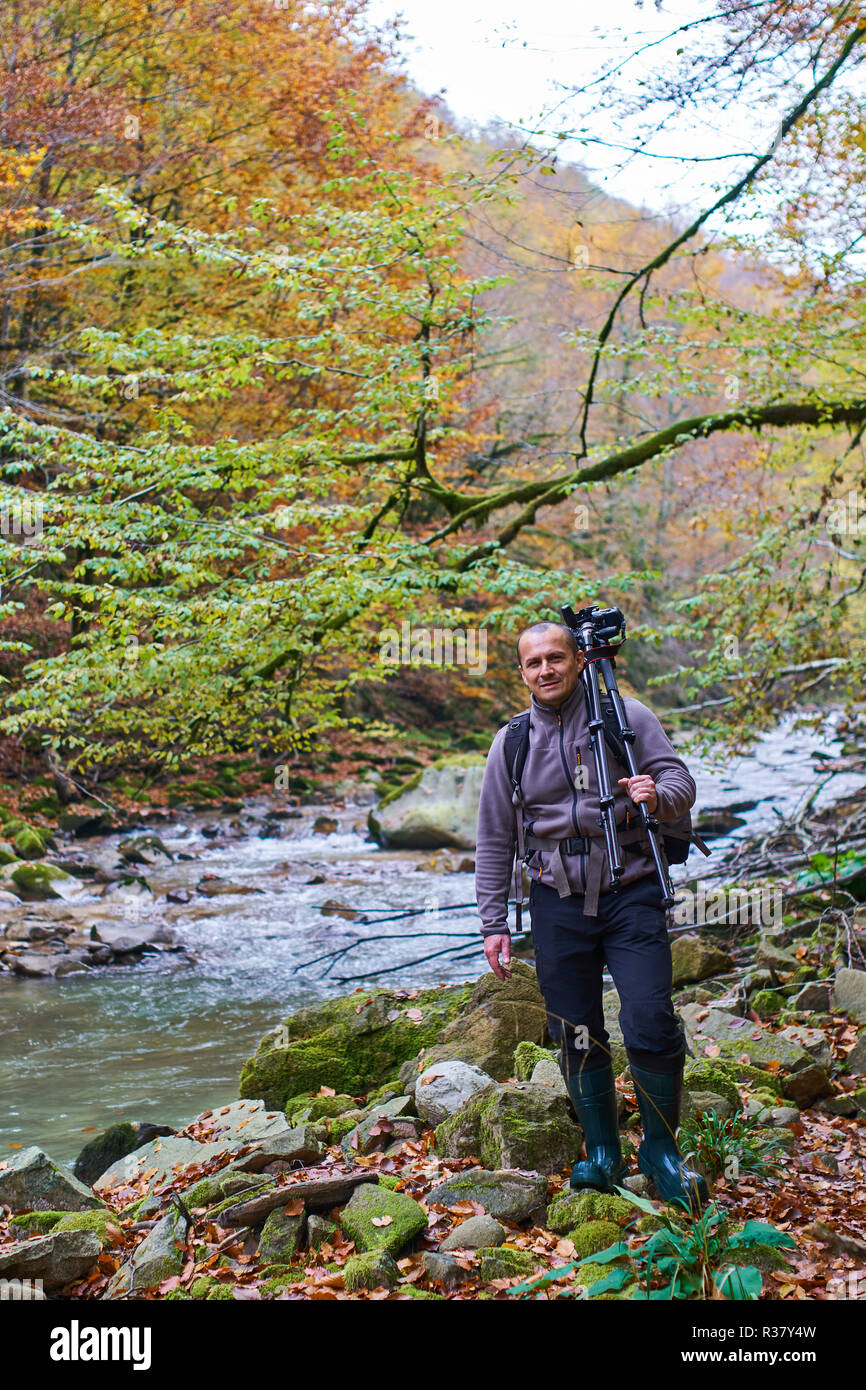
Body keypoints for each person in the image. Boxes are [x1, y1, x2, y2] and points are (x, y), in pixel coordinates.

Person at [475, 620, 708, 1208]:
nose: (546, 670)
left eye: (556, 657)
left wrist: (659, 794)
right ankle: (602, 1153)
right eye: (534, 663)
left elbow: (680, 778)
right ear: (521, 672)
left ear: (578, 659)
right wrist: (494, 923)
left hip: (631, 889)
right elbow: (494, 840)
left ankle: (660, 1151)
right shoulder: (512, 743)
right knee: (577, 1029)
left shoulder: (626, 716)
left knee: (651, 1019)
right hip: (556, 901)